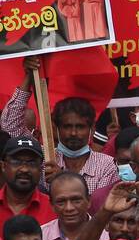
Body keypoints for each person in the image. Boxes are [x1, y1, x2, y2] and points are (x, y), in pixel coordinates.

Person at [2, 62, 118, 194]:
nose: (73, 133)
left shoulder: (106, 165)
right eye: (67, 126)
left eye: (80, 127)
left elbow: (99, 207)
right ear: (56, 127)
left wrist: (62, 179)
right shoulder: (41, 157)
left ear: (92, 128)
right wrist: (29, 76)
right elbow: (10, 125)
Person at [40, 171, 102, 240]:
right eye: (61, 202)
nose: (69, 208)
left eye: (76, 200)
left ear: (89, 201)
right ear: (52, 205)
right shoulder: (40, 238)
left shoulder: (106, 237)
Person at [0, 137, 53, 227]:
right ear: (3, 166)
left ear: (40, 169)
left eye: (32, 163)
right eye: (16, 162)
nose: (24, 169)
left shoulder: (54, 209)